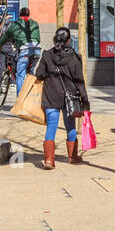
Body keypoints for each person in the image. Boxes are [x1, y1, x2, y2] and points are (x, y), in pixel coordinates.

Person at [32, 26, 89, 169]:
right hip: (69, 98)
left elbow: (38, 74)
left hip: (51, 96)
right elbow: (79, 81)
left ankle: (49, 160)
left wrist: (48, 73)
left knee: (51, 126)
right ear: (69, 40)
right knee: (70, 125)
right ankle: (73, 156)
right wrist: (85, 102)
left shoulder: (46, 55)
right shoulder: (75, 58)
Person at [4, 8, 41, 93]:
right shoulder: (35, 23)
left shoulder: (16, 23)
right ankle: (31, 96)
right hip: (37, 51)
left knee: (20, 75)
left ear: (20, 14)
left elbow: (6, 35)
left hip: (25, 51)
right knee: (31, 74)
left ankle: (20, 100)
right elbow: (38, 39)